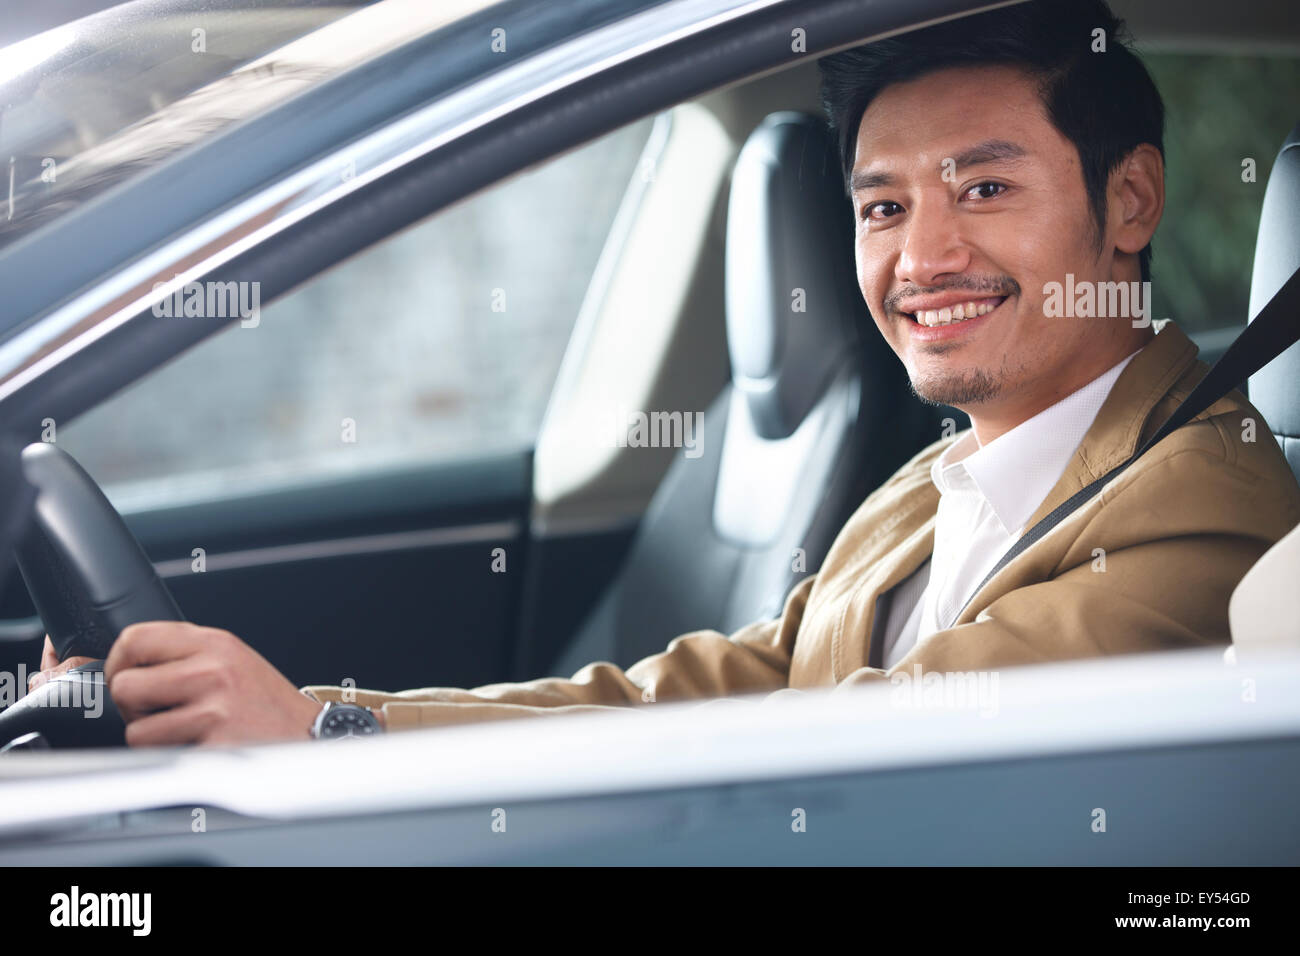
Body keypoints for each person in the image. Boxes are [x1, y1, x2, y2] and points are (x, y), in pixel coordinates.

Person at [28, 0, 1300, 745]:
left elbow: (848, 751)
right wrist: (315, 712)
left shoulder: (1207, 509)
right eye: (879, 207)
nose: (923, 255)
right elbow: (708, 686)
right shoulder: (938, 482)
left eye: (982, 186)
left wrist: (316, 743)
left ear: (1129, 199)